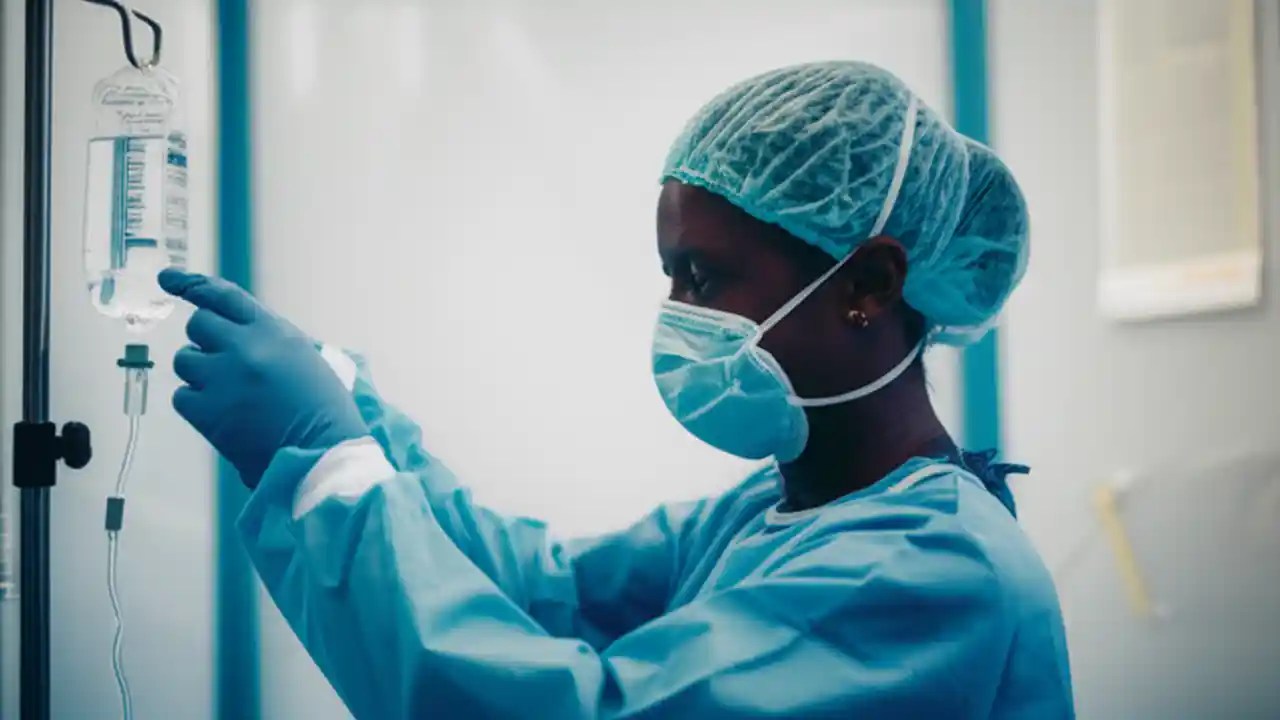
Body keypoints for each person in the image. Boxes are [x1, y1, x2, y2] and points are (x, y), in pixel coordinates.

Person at [160, 61, 1073, 718]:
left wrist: (328, 473)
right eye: (671, 273)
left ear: (869, 284)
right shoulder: (775, 511)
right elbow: (543, 592)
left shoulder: (926, 572)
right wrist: (358, 419)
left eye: (703, 278)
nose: (675, 312)